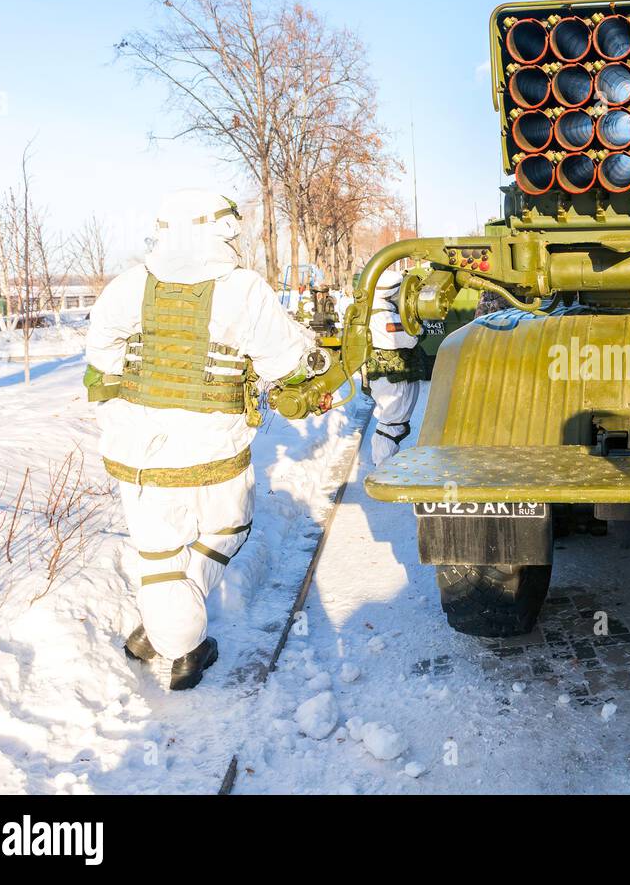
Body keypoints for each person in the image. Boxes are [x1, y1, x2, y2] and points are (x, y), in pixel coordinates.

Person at [84, 189, 318, 690]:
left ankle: (162, 620)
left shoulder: (127, 285)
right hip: (213, 448)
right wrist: (310, 358)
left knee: (160, 552)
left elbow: (99, 358)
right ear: (214, 231)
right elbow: (286, 363)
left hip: (135, 450)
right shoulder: (243, 289)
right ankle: (183, 647)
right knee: (229, 527)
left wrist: (121, 411)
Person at [366, 270, 425, 465]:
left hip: (393, 377)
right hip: (392, 379)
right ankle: (382, 465)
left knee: (393, 423)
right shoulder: (383, 315)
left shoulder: (376, 310)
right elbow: (411, 338)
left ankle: (384, 462)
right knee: (392, 424)